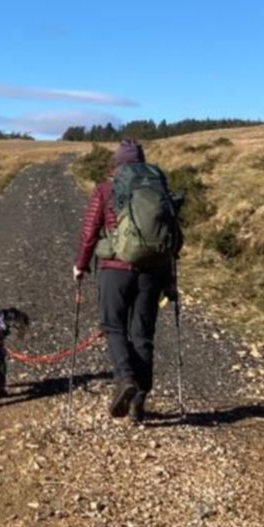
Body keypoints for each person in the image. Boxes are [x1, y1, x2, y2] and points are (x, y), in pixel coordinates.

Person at [72, 138, 181, 424]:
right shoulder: (158, 188)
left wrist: (80, 266)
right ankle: (138, 404)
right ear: (142, 162)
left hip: (114, 269)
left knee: (112, 325)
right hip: (153, 271)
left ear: (117, 162)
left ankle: (125, 378)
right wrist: (169, 280)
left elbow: (89, 232)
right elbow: (169, 236)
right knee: (143, 335)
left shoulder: (106, 189)